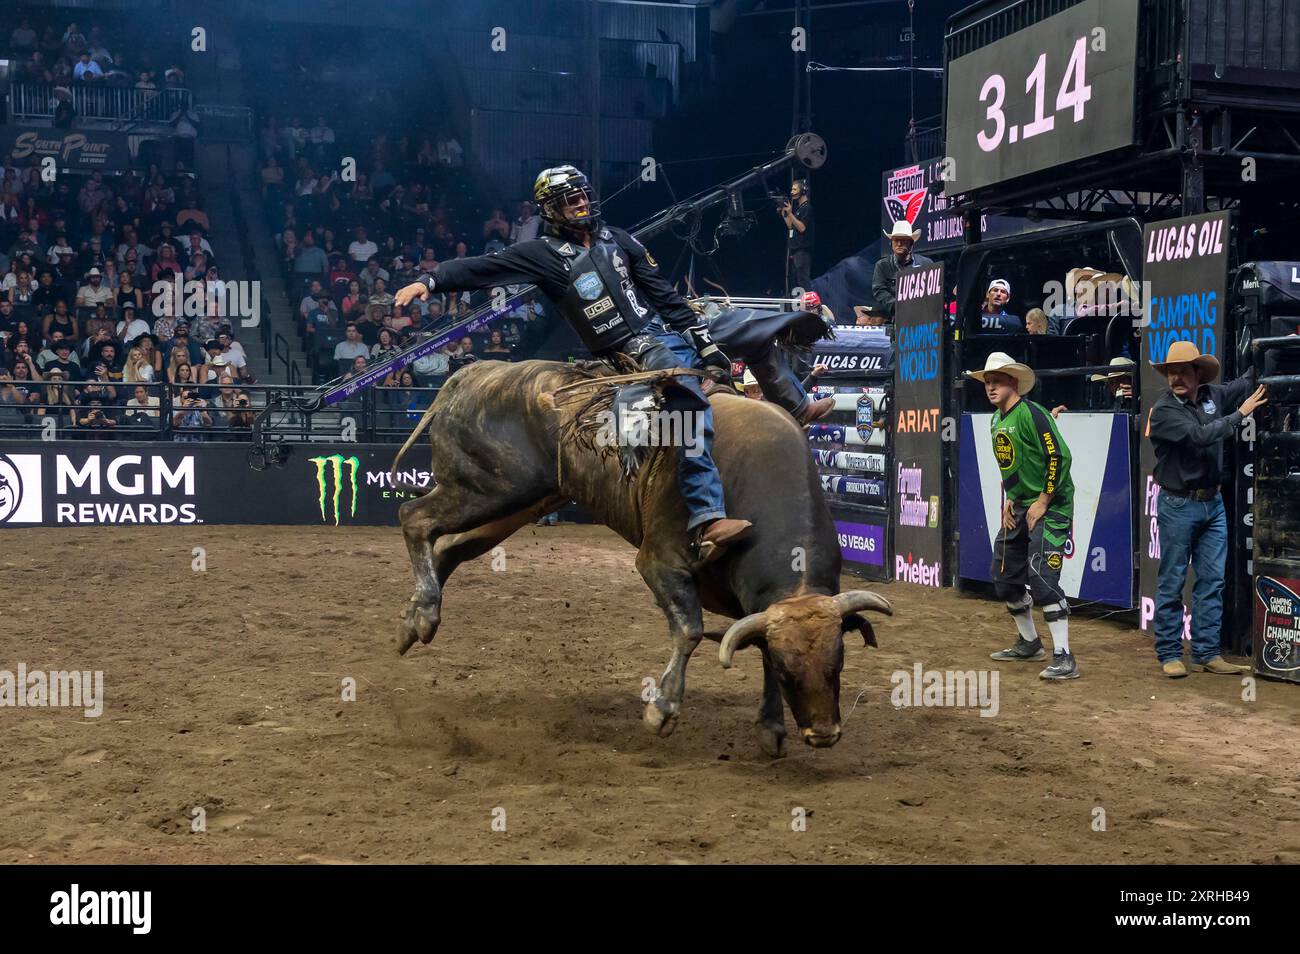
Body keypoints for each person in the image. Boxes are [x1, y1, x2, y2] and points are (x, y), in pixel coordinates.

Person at [396, 163, 768, 559]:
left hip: (666, 334)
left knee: (761, 330)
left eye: (583, 195)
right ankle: (706, 517)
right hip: (631, 350)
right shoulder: (542, 255)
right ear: (551, 210)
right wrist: (429, 281)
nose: (580, 203)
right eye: (569, 200)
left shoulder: (620, 240)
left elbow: (666, 297)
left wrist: (706, 343)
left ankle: (794, 404)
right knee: (689, 403)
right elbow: (484, 268)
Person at [1147, 341, 1266, 678]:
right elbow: (1200, 436)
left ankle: (1206, 652)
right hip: (1178, 502)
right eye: (1172, 372)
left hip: (1211, 502)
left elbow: (1247, 380)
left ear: (1197, 373)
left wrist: (1272, 349)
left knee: (1212, 581)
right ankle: (1170, 653)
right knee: (1172, 582)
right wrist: (1241, 413)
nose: (1176, 378)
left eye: (1183, 371)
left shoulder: (1214, 395)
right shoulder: (1165, 410)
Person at [966, 353, 1079, 680]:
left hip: (1052, 504)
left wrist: (1043, 501)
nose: (990, 387)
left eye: (997, 380)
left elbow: (1059, 456)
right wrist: (1012, 499)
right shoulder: (995, 420)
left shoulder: (1031, 413)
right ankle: (1030, 642)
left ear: (1014, 383)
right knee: (1004, 576)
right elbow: (1010, 464)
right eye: (987, 382)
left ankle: (1064, 656)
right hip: (1021, 504)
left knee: (1043, 579)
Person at [871, 221, 933, 320]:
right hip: (895, 319)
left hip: (922, 319)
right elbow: (879, 290)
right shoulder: (882, 265)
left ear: (911, 243)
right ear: (891, 243)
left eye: (903, 240)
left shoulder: (926, 264)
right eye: (896, 240)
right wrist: (898, 306)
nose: (899, 244)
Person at [779, 179, 814, 293]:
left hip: (802, 251)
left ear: (803, 191)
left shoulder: (807, 208)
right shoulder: (799, 209)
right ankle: (798, 309)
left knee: (803, 282)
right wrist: (784, 214)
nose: (792, 192)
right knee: (796, 283)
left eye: (794, 189)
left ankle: (809, 308)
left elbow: (802, 227)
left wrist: (790, 214)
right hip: (795, 251)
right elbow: (791, 226)